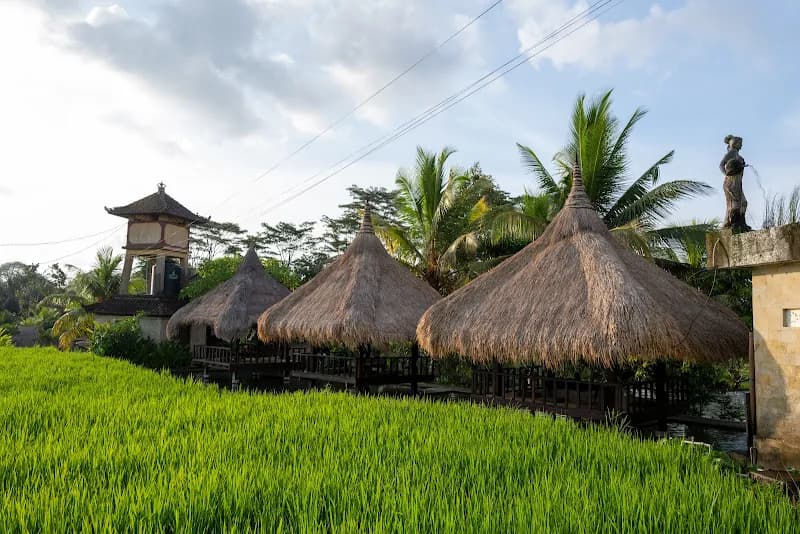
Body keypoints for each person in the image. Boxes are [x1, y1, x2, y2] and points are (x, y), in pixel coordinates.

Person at [720, 135, 751, 232]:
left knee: (743, 202)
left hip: (737, 182)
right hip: (731, 182)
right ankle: (734, 223)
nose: (741, 145)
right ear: (735, 144)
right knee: (735, 203)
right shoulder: (731, 153)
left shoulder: (738, 156)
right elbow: (721, 165)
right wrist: (726, 173)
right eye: (740, 143)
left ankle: (741, 223)